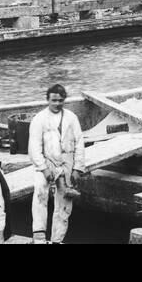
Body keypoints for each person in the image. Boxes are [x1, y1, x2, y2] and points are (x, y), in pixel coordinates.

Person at [27, 83, 86, 243]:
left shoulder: (71, 118)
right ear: (48, 100)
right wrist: (43, 168)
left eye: (60, 100)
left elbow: (79, 142)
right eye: (54, 100)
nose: (57, 103)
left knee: (64, 202)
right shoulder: (39, 119)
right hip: (46, 162)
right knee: (40, 194)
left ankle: (57, 239)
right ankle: (39, 237)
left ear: (64, 100)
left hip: (66, 164)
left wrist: (78, 168)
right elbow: (34, 147)